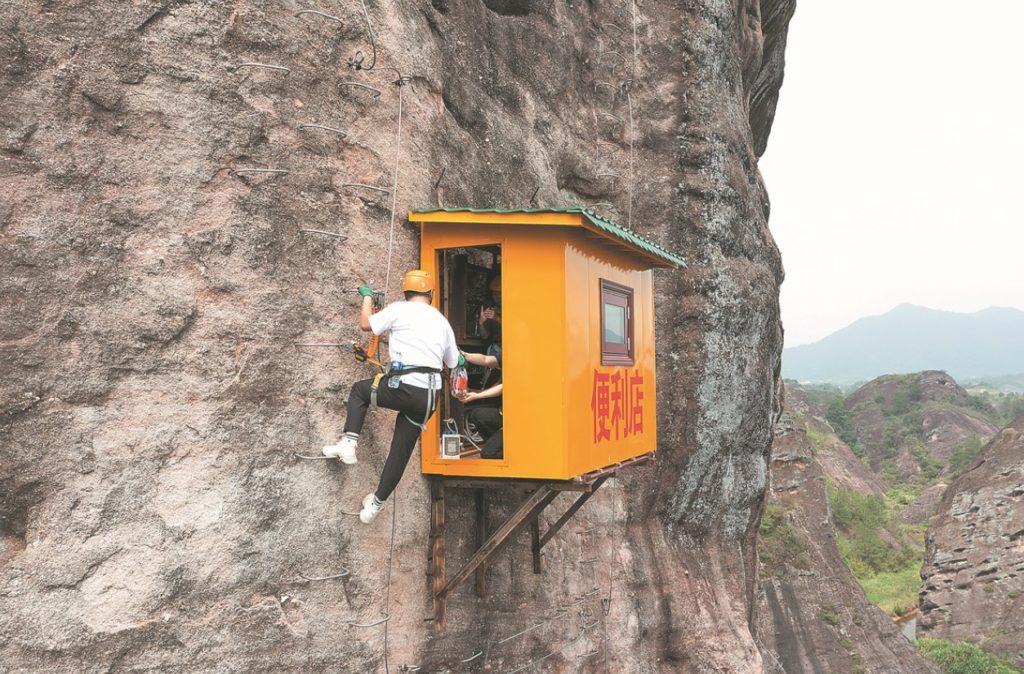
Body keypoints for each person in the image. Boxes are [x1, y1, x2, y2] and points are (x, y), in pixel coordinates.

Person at [321, 270, 462, 523]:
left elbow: (366, 324)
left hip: (403, 386)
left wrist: (367, 297)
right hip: (429, 397)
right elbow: (452, 362)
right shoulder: (442, 322)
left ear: (406, 292)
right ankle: (375, 505)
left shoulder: (399, 309)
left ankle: (349, 444)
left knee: (360, 392)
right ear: (431, 293)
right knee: (400, 451)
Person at [456, 350, 503, 460]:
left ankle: (509, 451)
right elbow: (485, 359)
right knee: (478, 415)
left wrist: (476, 395)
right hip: (503, 415)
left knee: (488, 454)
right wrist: (465, 355)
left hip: (518, 422)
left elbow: (503, 387)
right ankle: (499, 445)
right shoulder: (508, 354)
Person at [478, 269, 501, 347]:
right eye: (494, 294)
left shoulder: (513, 308)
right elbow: (485, 336)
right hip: (496, 347)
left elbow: (513, 327)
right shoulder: (491, 310)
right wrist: (481, 323)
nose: (496, 297)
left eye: (499, 294)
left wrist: (496, 318)